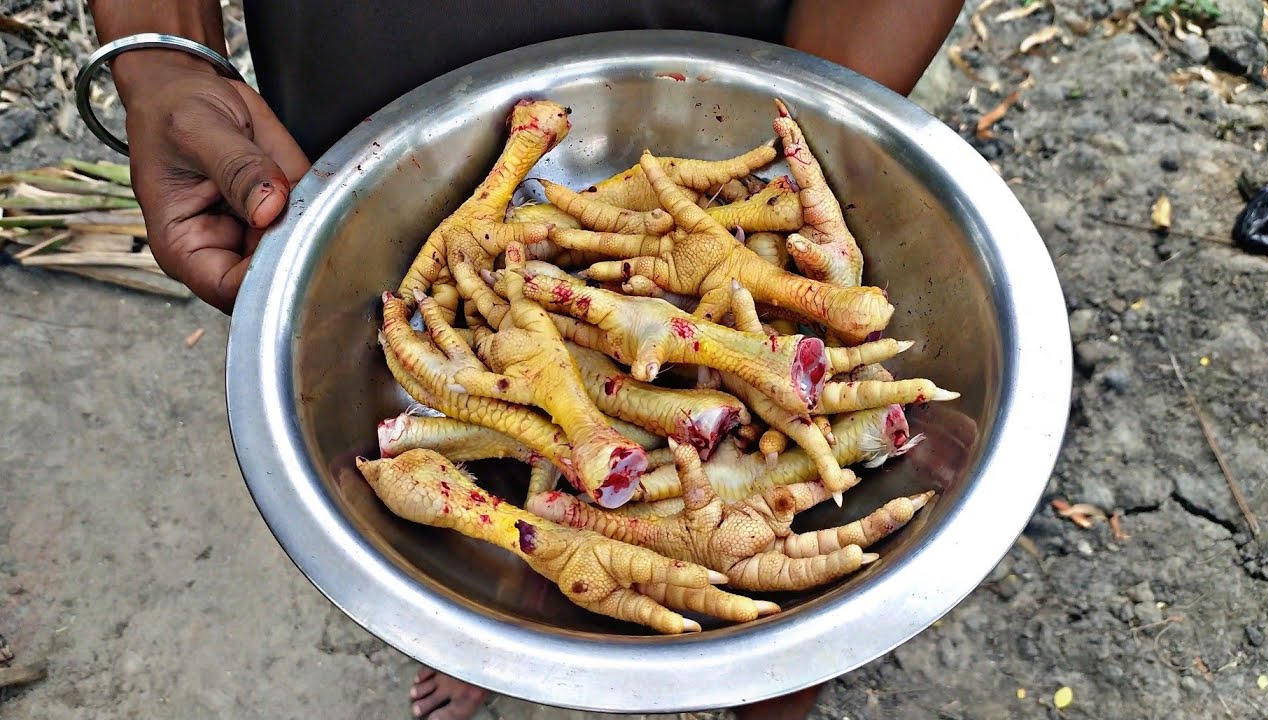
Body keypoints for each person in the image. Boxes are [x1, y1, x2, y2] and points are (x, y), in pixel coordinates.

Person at [84, 2, 966, 718]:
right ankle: (499, 615)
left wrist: (812, 114)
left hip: (722, 47)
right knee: (520, 503)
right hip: (358, 106)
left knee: (789, 596)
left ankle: (760, 671)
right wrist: (164, 62)